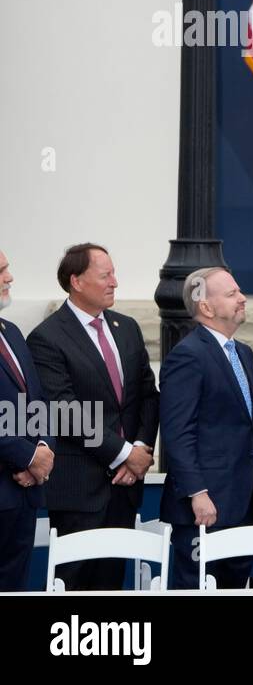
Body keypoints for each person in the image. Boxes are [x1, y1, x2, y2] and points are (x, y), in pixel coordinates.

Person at [28, 243, 158, 590]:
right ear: (77, 281)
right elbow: (65, 409)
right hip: (79, 489)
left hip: (125, 488)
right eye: (105, 275)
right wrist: (123, 453)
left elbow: (147, 394)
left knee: (112, 583)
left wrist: (140, 449)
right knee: (74, 583)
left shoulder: (126, 328)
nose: (115, 281)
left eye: (114, 273)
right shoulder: (47, 338)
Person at [160, 267, 253, 589]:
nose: (242, 299)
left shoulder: (244, 354)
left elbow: (248, 430)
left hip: (244, 504)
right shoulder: (187, 356)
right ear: (206, 307)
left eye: (239, 291)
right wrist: (198, 493)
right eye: (231, 294)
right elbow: (177, 433)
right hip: (204, 509)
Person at [0, 249, 53, 592]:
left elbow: (37, 401)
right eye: (2, 271)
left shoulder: (12, 332)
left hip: (22, 495)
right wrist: (28, 456)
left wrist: (43, 447)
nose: (10, 278)